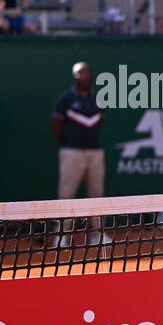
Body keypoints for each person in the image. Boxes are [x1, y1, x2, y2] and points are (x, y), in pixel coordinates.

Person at [52, 62, 111, 247]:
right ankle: (62, 236)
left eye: (87, 74)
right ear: (75, 77)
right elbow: (56, 124)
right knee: (66, 195)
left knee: (97, 194)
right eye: (81, 74)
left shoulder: (97, 98)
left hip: (94, 152)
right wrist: (67, 142)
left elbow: (100, 121)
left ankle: (97, 234)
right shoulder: (66, 98)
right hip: (71, 152)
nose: (85, 77)